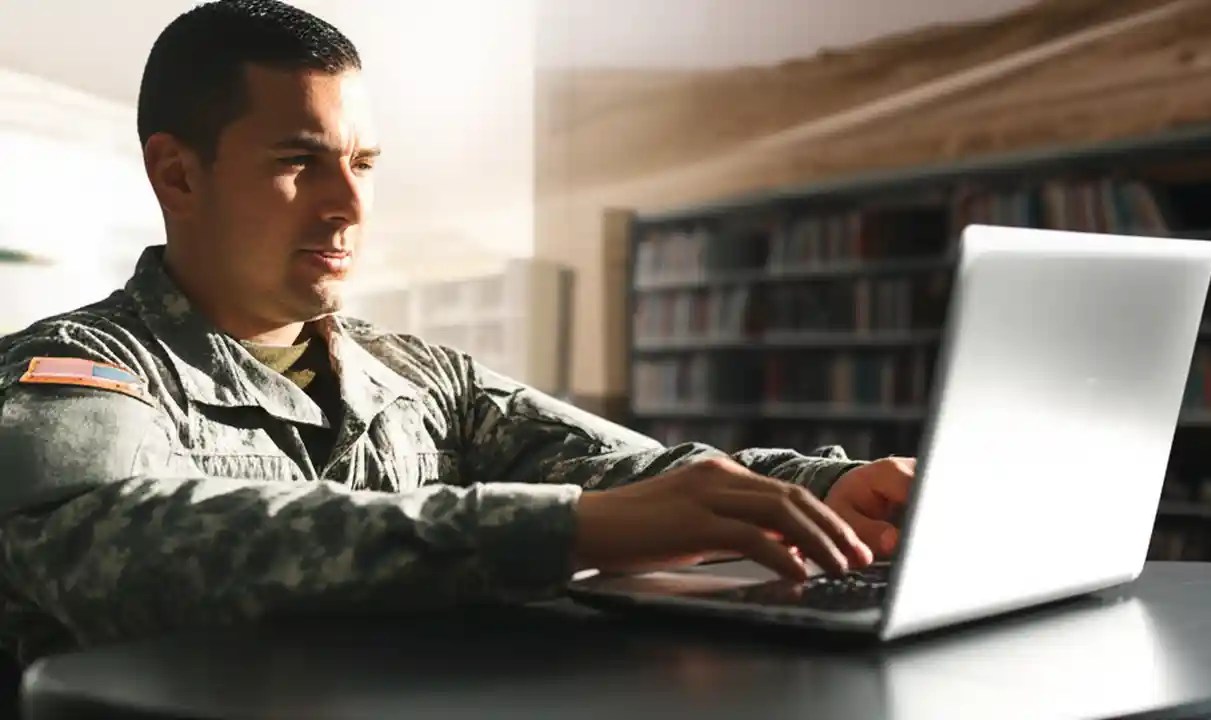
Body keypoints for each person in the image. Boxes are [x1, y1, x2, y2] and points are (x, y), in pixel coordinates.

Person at [0, 0, 914, 668]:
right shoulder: (79, 369)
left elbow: (630, 476)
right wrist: (562, 531)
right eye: (297, 162)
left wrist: (828, 487)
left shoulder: (417, 375)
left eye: (362, 164)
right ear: (178, 174)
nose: (349, 205)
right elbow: (121, 550)